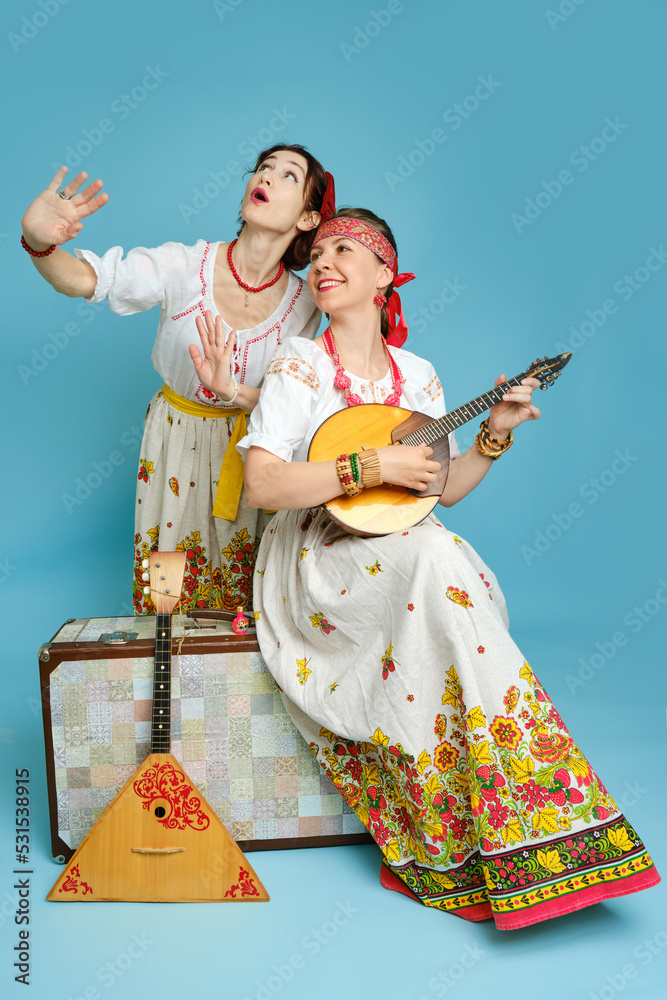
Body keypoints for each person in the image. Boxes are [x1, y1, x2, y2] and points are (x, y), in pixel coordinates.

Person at [196, 207, 660, 929]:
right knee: (437, 561)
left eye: (343, 250)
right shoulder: (298, 360)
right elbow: (264, 487)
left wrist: (493, 437)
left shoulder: (418, 376)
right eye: (316, 252)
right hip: (315, 556)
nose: (322, 261)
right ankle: (486, 825)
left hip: (404, 549)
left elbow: (436, 493)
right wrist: (370, 463)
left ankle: (502, 830)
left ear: (384, 274)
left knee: (440, 555)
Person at [21, 145, 332, 612]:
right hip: (177, 442)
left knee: (253, 602)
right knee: (170, 593)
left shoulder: (305, 305)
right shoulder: (184, 266)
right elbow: (88, 280)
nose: (266, 176)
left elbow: (298, 401)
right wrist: (40, 244)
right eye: (263, 167)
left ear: (309, 218)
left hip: (257, 453)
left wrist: (237, 393)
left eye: (288, 175)